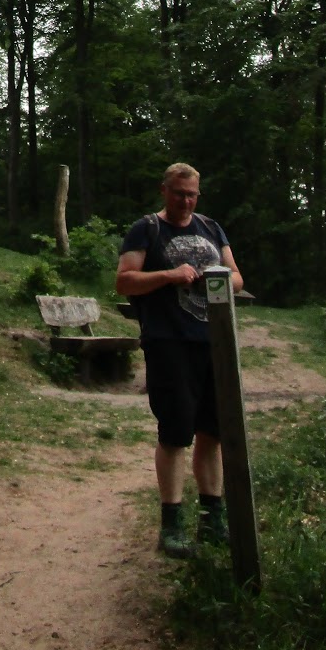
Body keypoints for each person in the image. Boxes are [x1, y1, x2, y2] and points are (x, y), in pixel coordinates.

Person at [115, 162, 243, 560]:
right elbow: (124, 280)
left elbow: (237, 278)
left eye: (191, 194)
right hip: (168, 342)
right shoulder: (146, 229)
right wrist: (169, 276)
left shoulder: (211, 228)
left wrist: (217, 276)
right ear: (164, 191)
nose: (185, 201)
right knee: (175, 432)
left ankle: (213, 518)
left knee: (213, 432)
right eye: (178, 193)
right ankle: (171, 525)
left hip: (215, 342)